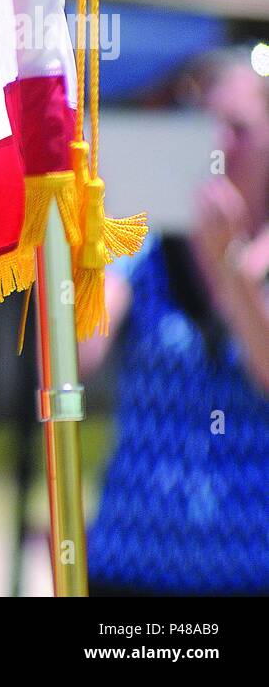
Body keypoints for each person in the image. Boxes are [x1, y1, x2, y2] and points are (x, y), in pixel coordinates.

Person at [80, 48, 269, 596]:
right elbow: (81, 354)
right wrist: (84, 233)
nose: (221, 146)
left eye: (239, 128)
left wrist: (228, 265)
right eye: (207, 127)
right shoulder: (146, 242)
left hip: (247, 572)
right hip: (129, 568)